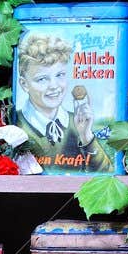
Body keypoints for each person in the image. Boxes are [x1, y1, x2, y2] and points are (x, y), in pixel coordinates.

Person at [14, 32, 108, 171]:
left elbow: (105, 176)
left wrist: (86, 136)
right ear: (24, 84)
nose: (54, 86)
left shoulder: (77, 122)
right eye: (42, 79)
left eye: (60, 75)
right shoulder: (17, 125)